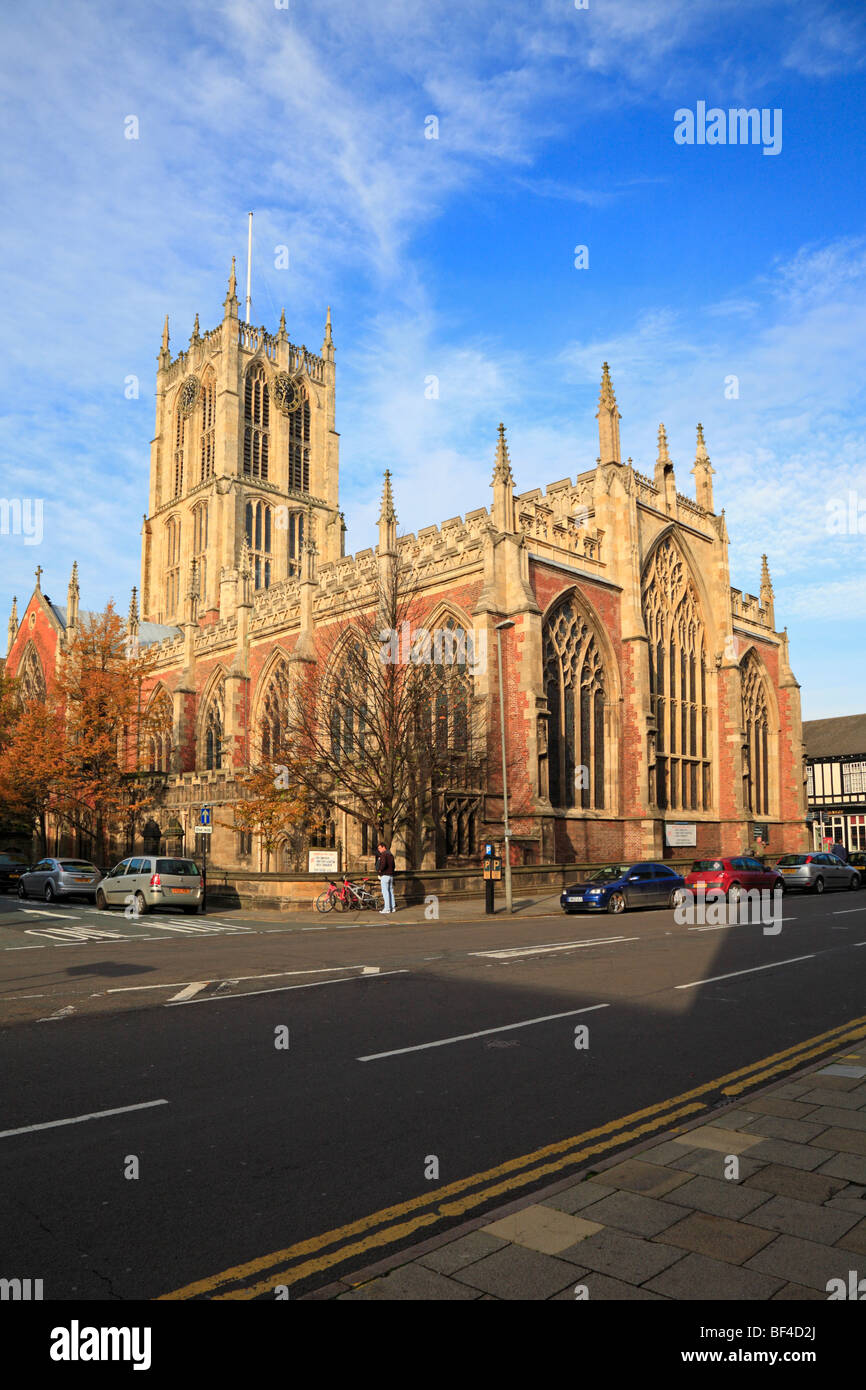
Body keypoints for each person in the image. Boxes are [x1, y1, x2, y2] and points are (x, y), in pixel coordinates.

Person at [375, 841, 396, 914]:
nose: (379, 850)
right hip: (391, 875)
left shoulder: (384, 855)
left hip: (385, 875)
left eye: (379, 848)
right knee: (390, 891)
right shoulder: (391, 854)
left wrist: (380, 871)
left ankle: (387, 908)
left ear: (384, 847)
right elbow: (393, 866)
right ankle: (392, 907)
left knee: (385, 892)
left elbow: (383, 865)